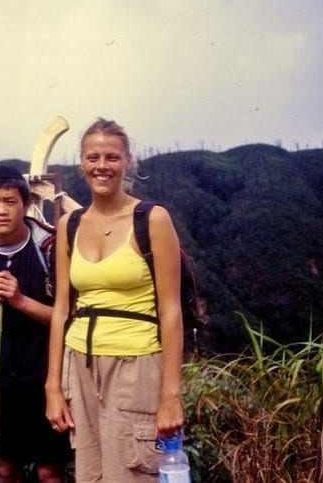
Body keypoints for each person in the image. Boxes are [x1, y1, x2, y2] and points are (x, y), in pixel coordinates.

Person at [44, 118, 185, 481]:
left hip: (135, 366)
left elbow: (171, 310)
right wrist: (53, 386)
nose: (101, 166)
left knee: (133, 473)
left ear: (127, 162)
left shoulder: (151, 219)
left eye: (111, 157)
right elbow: (62, 308)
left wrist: (170, 395)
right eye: (93, 157)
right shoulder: (69, 225)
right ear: (81, 163)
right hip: (79, 364)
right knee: (89, 475)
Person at [0, 165, 72, 482]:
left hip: (46, 379)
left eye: (11, 201)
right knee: (5, 469)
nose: (2, 210)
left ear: (26, 203)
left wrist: (20, 301)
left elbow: (68, 318)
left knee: (51, 470)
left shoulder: (50, 248)